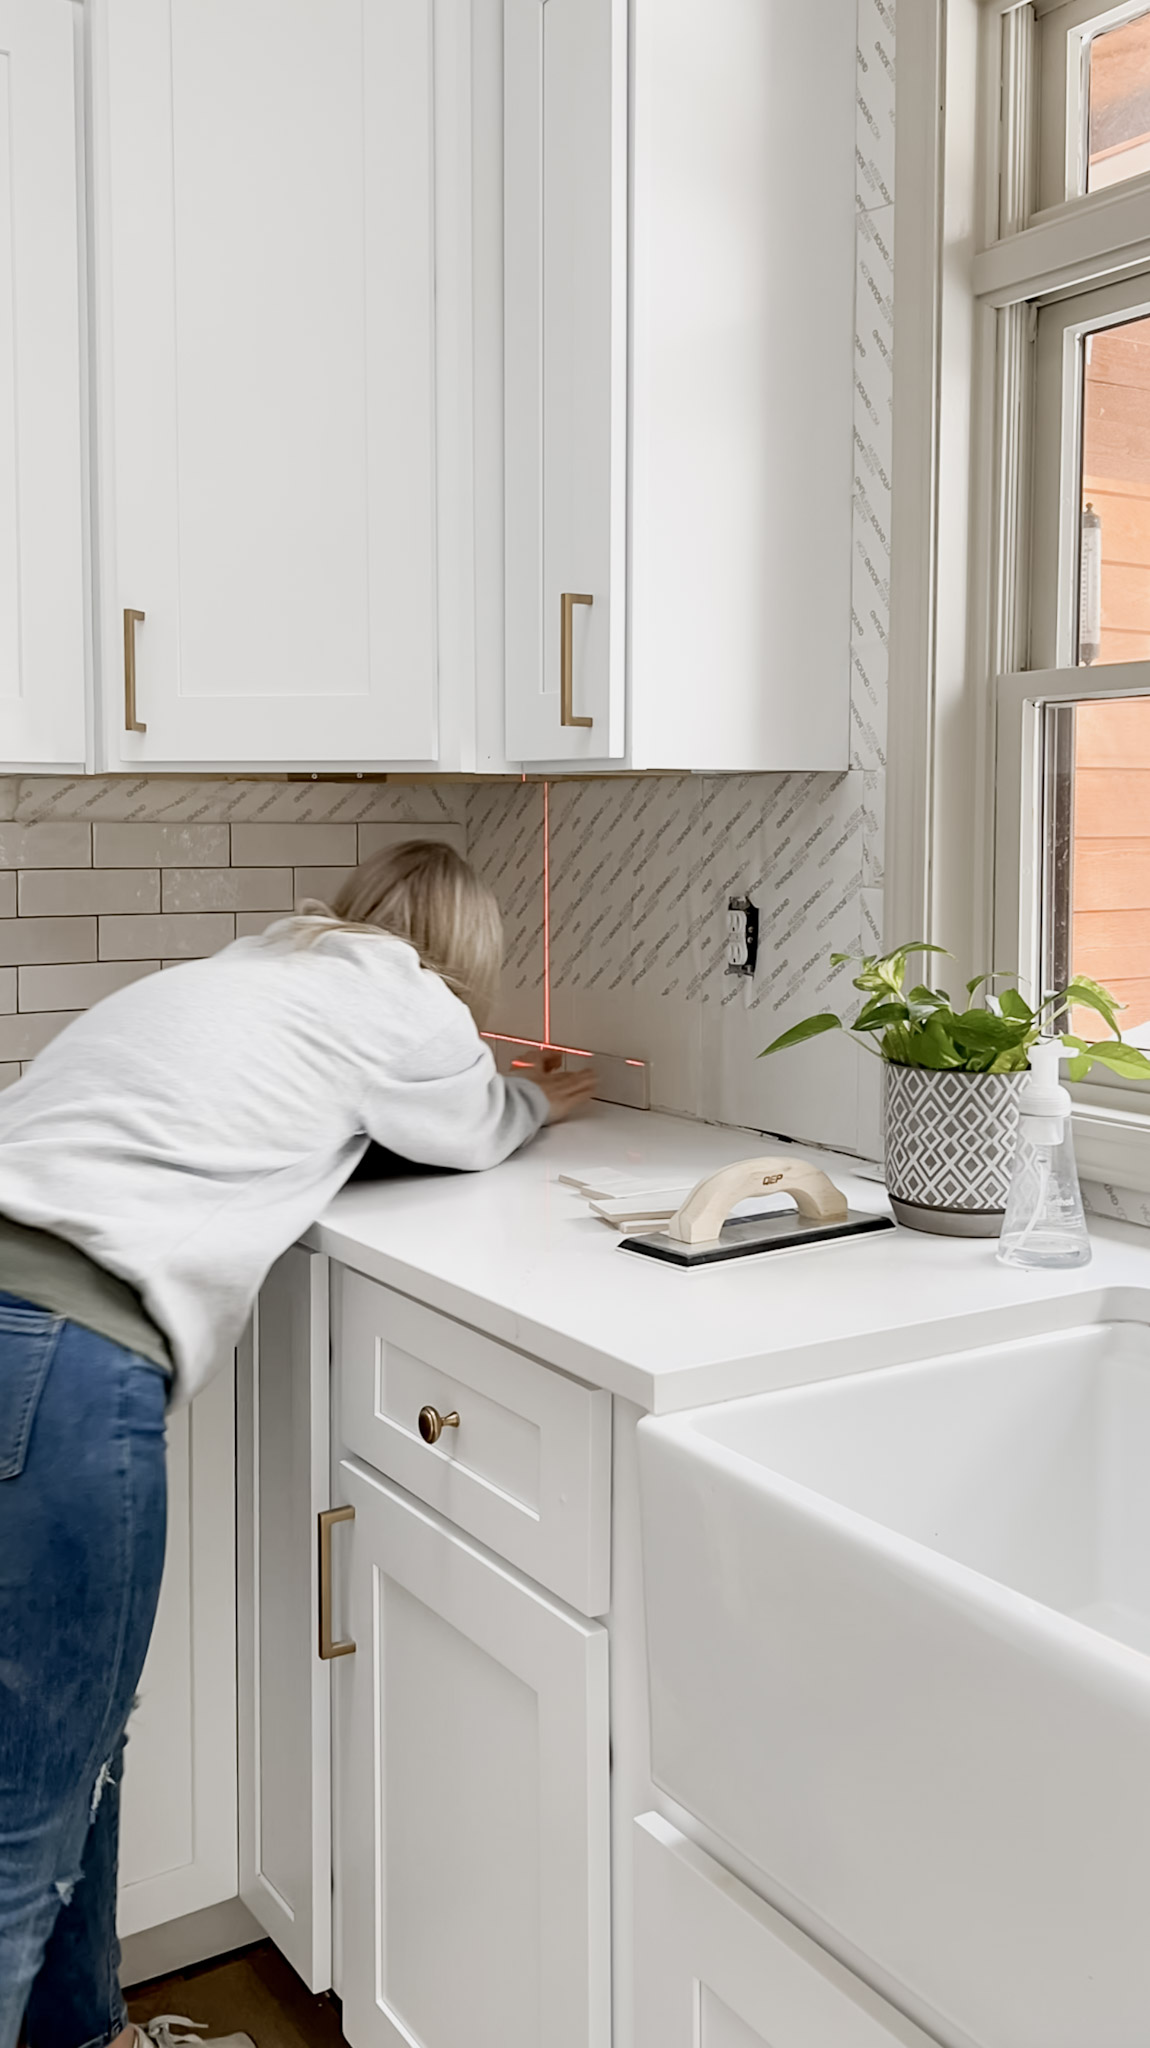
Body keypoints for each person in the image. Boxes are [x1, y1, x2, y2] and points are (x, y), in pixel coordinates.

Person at [0, 840, 595, 2048]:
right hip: (62, 1353)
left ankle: (84, 2035)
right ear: (464, 954)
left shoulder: (255, 967)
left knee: (63, 1759)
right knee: (24, 1816)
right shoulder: (406, 998)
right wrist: (543, 1092)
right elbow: (479, 1129)